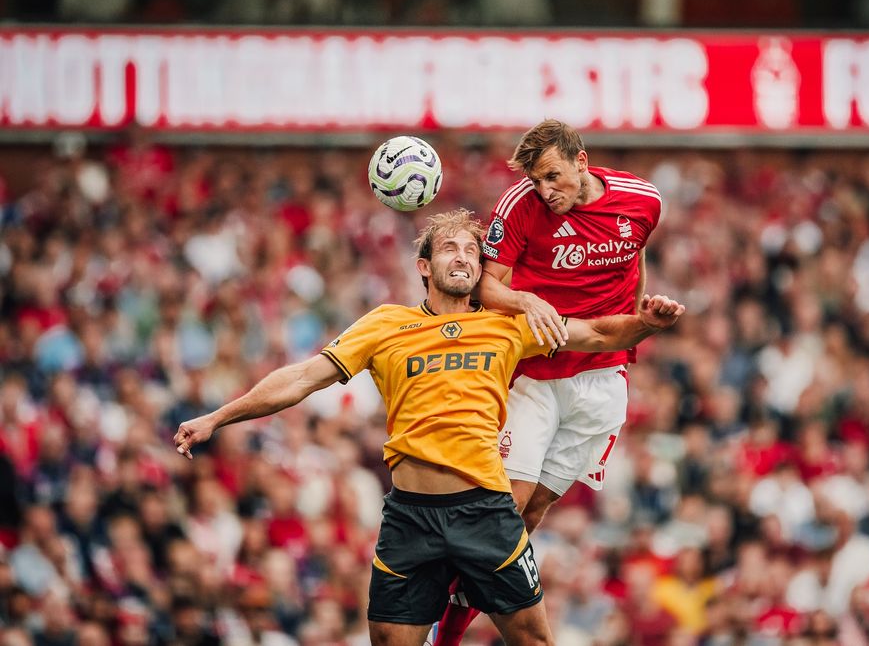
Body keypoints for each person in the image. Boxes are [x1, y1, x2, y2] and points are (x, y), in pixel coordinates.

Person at [173, 209, 685, 646]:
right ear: (425, 265)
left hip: (485, 510)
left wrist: (647, 323)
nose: (462, 256)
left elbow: (592, 332)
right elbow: (304, 377)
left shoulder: (505, 326)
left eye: (471, 250)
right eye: (449, 249)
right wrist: (218, 417)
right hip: (410, 517)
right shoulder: (385, 324)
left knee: (534, 639)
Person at [433, 120, 663, 645]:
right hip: (532, 373)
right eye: (538, 180)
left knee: (532, 514)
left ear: (582, 161)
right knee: (507, 505)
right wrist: (527, 301)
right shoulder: (519, 205)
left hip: (601, 374)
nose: (546, 190)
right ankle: (440, 632)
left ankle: (454, 617)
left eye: (554, 177)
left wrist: (636, 325)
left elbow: (636, 253)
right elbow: (484, 287)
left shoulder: (644, 199)